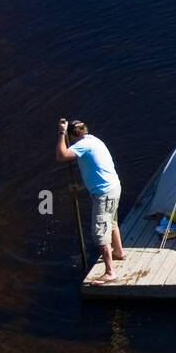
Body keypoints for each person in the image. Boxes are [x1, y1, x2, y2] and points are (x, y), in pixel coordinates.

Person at [56, 118, 124, 282]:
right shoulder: (94, 140)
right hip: (113, 188)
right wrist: (80, 187)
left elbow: (61, 155)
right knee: (111, 222)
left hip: (105, 194)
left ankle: (110, 272)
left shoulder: (83, 144)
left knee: (100, 232)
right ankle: (119, 252)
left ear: (73, 135)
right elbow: (96, 169)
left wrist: (61, 132)